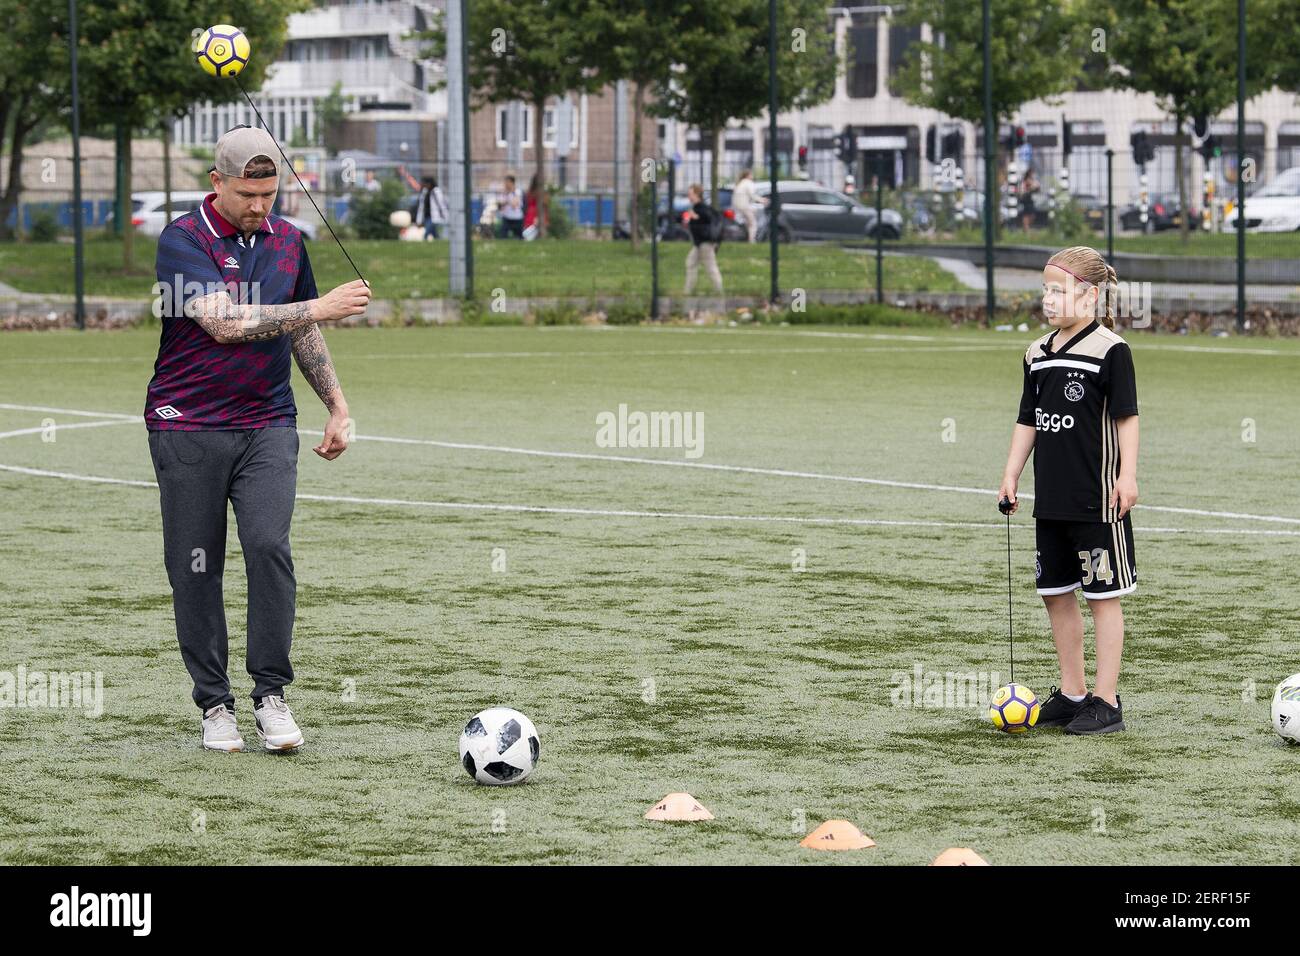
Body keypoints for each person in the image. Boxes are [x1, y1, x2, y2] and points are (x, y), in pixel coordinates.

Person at [145, 125, 371, 752]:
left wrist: (336, 401)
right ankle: (214, 703)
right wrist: (318, 307)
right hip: (186, 424)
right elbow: (224, 323)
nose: (259, 206)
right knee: (196, 566)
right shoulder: (181, 241)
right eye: (248, 193)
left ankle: (270, 692)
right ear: (217, 183)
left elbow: (302, 333)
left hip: (268, 422)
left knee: (269, 546)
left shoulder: (291, 244)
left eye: (270, 194)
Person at [999, 245, 1139, 736]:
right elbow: (1027, 420)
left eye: (1059, 291)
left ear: (1091, 294)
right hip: (1050, 502)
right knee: (1055, 594)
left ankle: (1105, 702)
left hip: (1097, 502)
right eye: (1045, 291)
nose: (1049, 300)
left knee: (1103, 596)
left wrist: (1128, 475)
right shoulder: (1036, 353)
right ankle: (1073, 693)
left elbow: (1126, 418)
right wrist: (1012, 474)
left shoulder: (1111, 350)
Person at [682, 183, 723, 296]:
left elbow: (707, 219)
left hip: (706, 243)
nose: (689, 196)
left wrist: (695, 218)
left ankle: (719, 291)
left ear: (697, 194)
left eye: (690, 194)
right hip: (699, 244)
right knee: (690, 263)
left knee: (711, 267)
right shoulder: (697, 208)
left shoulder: (701, 208)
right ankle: (688, 291)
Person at [400, 167, 449, 240]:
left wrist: (446, 216)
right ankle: (438, 241)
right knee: (434, 234)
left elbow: (441, 205)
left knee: (426, 234)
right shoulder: (424, 192)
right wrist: (418, 220)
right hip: (426, 217)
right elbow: (421, 207)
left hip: (434, 217)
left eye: (424, 183)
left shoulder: (436, 191)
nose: (422, 184)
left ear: (429, 183)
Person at [732, 169, 765, 243]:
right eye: (751, 174)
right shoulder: (748, 183)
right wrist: (762, 200)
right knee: (753, 224)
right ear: (748, 175)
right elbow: (752, 195)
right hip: (744, 206)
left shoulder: (740, 183)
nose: (752, 176)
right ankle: (751, 241)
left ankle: (748, 238)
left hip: (738, 206)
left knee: (748, 223)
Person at [522, 172, 550, 239]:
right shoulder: (532, 192)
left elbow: (546, 204)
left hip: (537, 214)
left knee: (534, 234)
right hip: (532, 215)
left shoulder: (543, 192)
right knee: (529, 234)